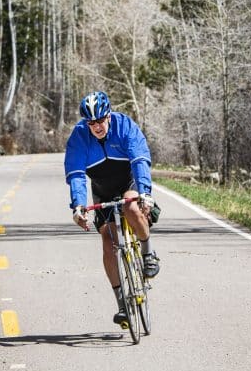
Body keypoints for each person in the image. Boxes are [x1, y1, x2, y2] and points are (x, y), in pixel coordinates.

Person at [64, 90, 160, 327]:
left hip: (129, 181)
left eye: (100, 120)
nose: (97, 126)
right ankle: (122, 306)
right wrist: (78, 206)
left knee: (130, 205)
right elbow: (76, 174)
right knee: (108, 240)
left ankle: (148, 253)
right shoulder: (79, 137)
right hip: (102, 189)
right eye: (91, 122)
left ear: (109, 115)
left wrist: (145, 194)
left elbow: (139, 160)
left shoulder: (124, 126)